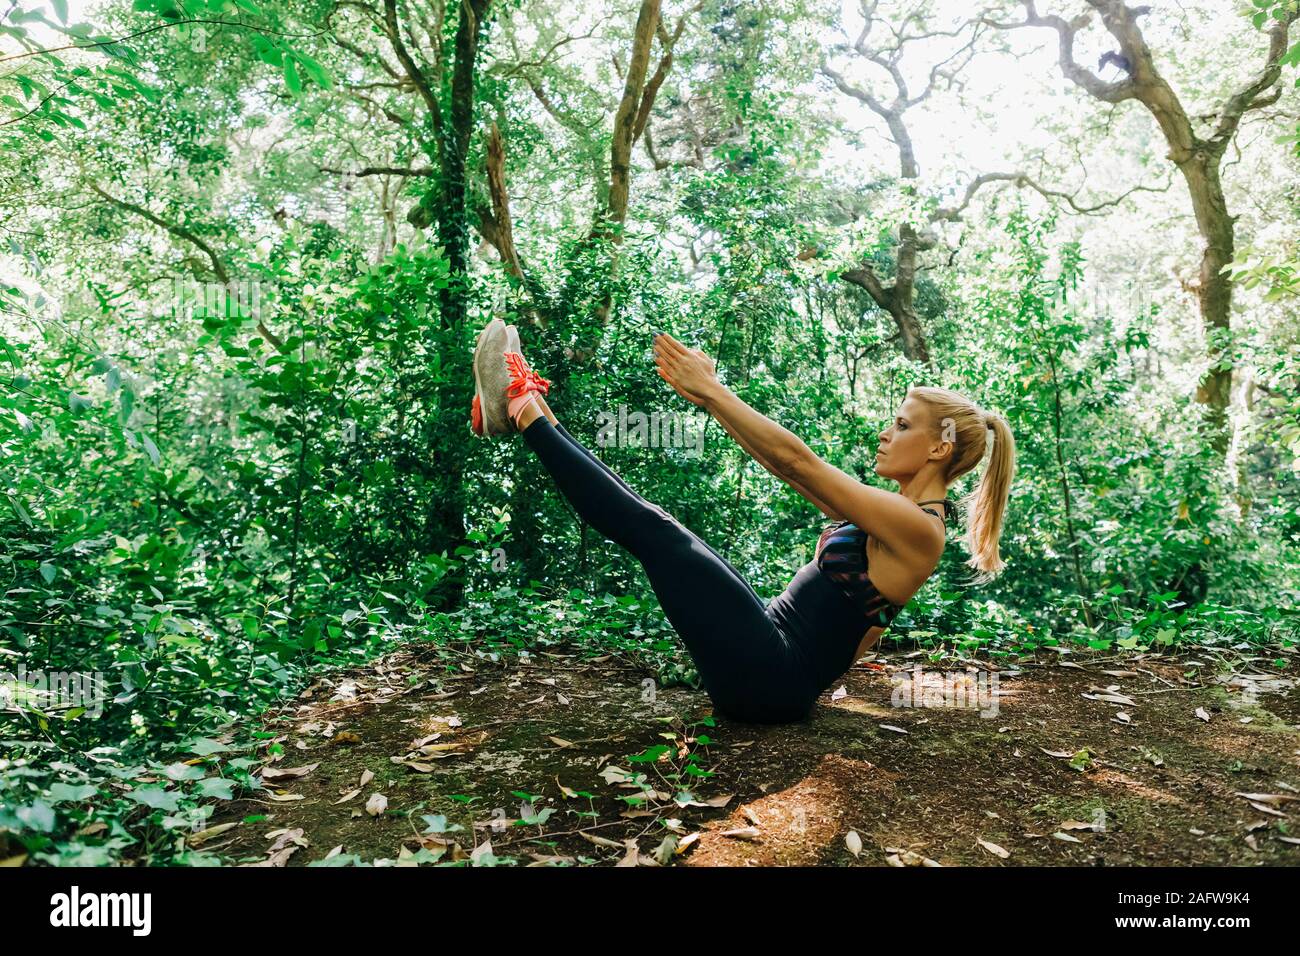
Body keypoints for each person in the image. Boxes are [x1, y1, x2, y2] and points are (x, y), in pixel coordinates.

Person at [468, 318, 1016, 724]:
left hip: (774, 679)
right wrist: (710, 404)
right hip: (768, 646)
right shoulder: (896, 513)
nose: (885, 433)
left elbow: (797, 460)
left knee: (660, 535)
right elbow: (791, 474)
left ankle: (524, 409)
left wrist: (713, 390)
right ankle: (524, 411)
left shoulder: (919, 528)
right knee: (665, 536)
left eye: (900, 425)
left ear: (939, 449)